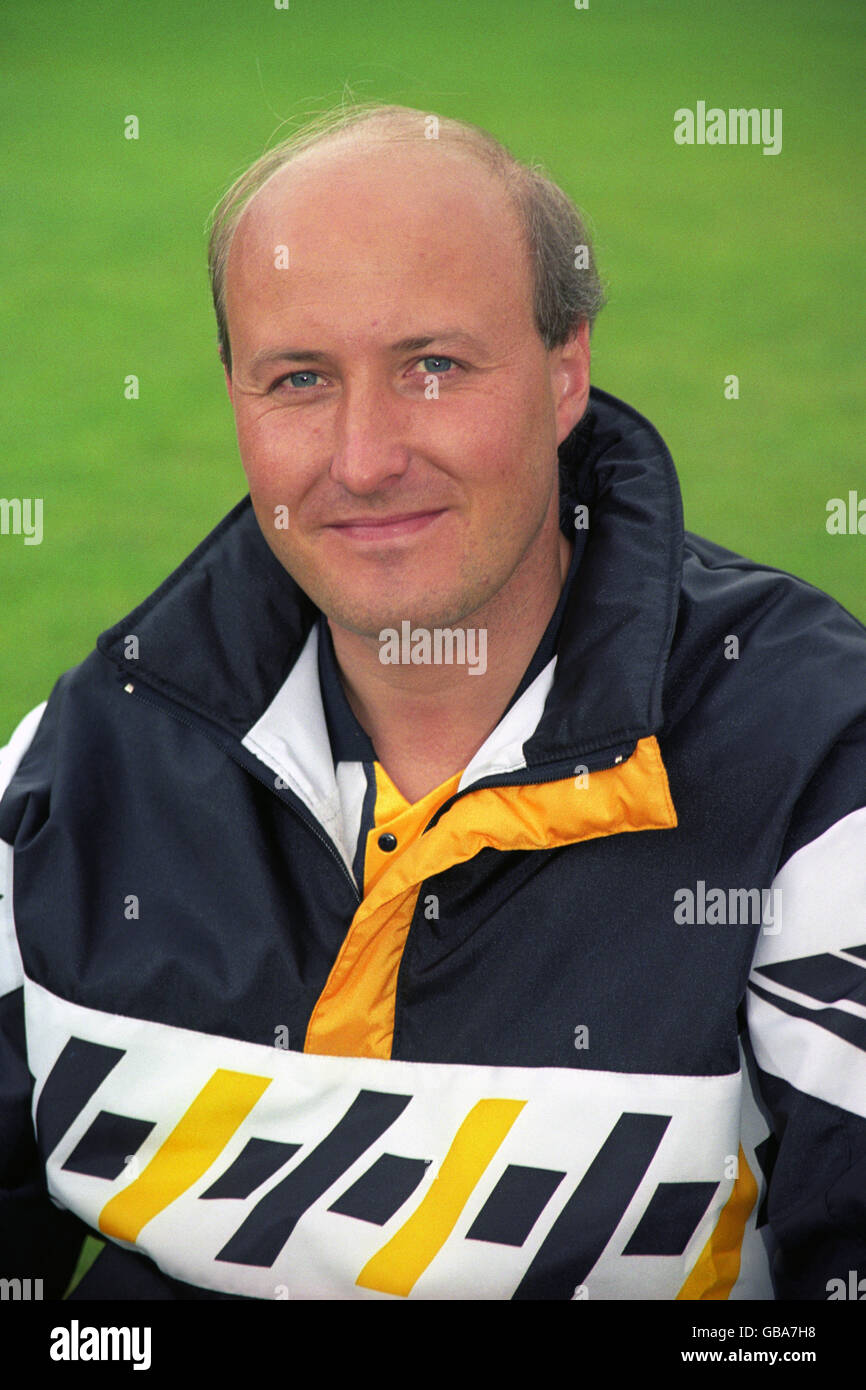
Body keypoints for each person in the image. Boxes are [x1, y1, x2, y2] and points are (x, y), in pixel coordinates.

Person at [1, 104, 864, 1303]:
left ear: (565, 376)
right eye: (298, 378)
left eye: (432, 368)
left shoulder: (817, 765)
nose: (362, 460)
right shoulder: (76, 764)